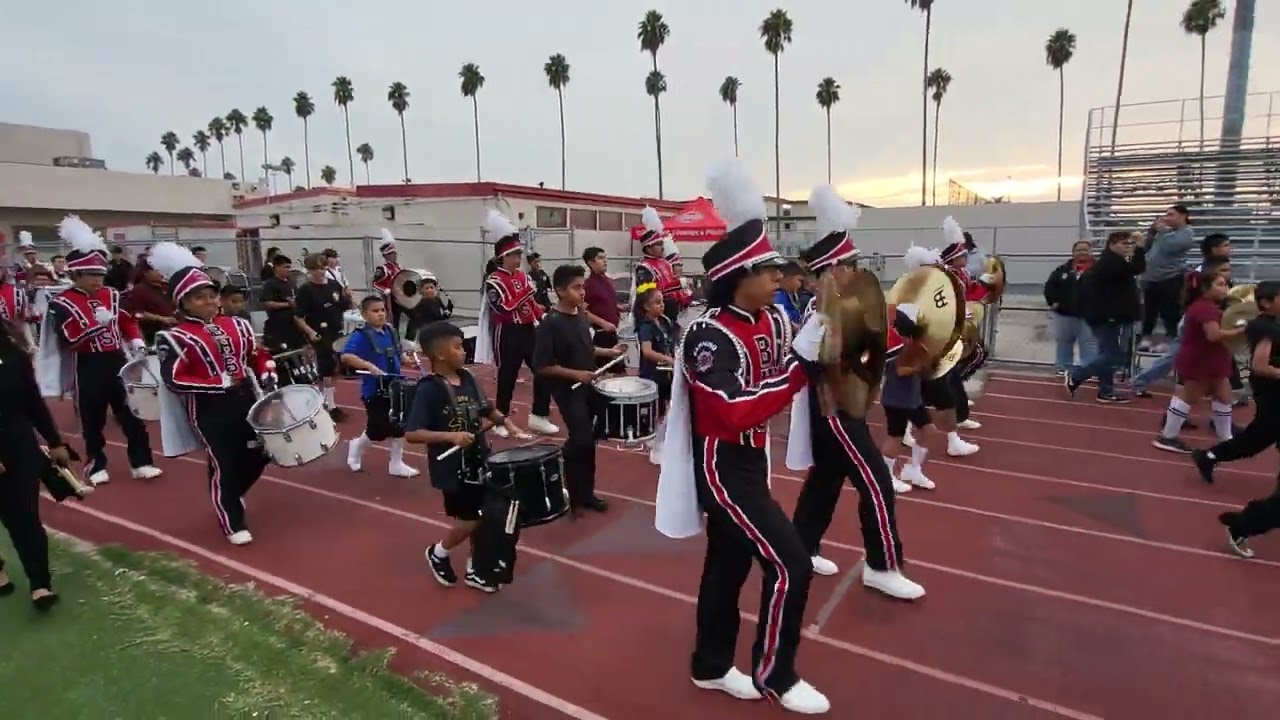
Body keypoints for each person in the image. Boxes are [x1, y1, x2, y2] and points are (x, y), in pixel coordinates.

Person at [654, 159, 827, 714]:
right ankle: (777, 672)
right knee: (791, 563)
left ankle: (709, 665)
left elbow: (787, 372)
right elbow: (730, 412)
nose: (780, 279)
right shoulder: (708, 334)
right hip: (722, 465)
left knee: (727, 567)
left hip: (753, 462)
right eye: (769, 271)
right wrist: (801, 366)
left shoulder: (775, 320)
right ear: (738, 276)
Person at [786, 184, 926, 603]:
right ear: (832, 271)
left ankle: (801, 547)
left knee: (824, 484)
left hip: (844, 408)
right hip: (836, 412)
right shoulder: (826, 310)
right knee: (878, 484)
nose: (858, 268)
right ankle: (881, 565)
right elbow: (803, 357)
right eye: (851, 263)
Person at [148, 242, 277, 546]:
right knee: (224, 461)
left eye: (211, 295)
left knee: (259, 454)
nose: (208, 302)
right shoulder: (173, 336)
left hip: (246, 400)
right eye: (199, 298)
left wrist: (267, 369)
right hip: (210, 410)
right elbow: (175, 379)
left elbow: (257, 355)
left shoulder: (238, 324)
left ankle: (229, 494)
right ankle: (232, 520)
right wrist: (216, 382)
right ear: (184, 304)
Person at [36, 216, 161, 486]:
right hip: (88, 364)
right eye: (91, 275)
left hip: (117, 359)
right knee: (92, 418)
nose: (97, 279)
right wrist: (95, 326)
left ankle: (141, 461)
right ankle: (95, 464)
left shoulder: (112, 295)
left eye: (99, 274)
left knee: (132, 413)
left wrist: (136, 340)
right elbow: (69, 339)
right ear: (75, 275)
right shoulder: (62, 303)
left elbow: (126, 320)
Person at [407, 321, 529, 592]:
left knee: (484, 514)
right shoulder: (430, 389)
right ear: (439, 354)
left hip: (479, 459)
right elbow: (413, 433)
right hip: (452, 468)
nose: (464, 351)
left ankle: (476, 568)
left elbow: (486, 409)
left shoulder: (469, 379)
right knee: (471, 519)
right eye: (458, 347)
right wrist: (450, 437)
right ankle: (439, 552)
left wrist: (507, 423)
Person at [533, 264, 623, 515]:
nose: (582, 292)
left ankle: (586, 494)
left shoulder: (581, 317)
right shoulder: (550, 323)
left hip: (588, 386)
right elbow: (542, 366)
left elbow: (587, 349)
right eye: (576, 287)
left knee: (590, 441)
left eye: (582, 287)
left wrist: (609, 352)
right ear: (560, 291)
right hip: (569, 390)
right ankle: (571, 491)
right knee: (580, 439)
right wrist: (577, 375)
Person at [0, 318, 74, 610]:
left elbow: (33, 401)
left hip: (17, 442)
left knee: (24, 516)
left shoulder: (13, 354)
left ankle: (40, 584)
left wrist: (54, 441)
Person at [475, 209, 557, 437]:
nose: (518, 259)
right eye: (514, 255)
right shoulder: (493, 281)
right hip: (508, 332)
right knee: (507, 378)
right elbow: (504, 308)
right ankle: (499, 421)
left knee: (543, 371)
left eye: (519, 254)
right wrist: (526, 295)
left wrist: (543, 318)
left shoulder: (523, 277)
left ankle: (539, 416)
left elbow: (530, 304)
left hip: (529, 330)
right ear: (503, 257)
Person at [1193, 281, 1280, 485]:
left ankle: (1210, 456)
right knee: (1258, 438)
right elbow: (1260, 365)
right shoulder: (1265, 327)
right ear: (1266, 303)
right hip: (1271, 389)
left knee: (1263, 435)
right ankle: (1209, 456)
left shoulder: (1271, 324)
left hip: (1272, 386)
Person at [1152, 268, 1243, 453]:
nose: (1225, 288)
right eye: (1220, 284)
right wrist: (1240, 330)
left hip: (1211, 358)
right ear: (1205, 287)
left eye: (1225, 284)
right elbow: (1213, 335)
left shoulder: (1207, 306)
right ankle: (1167, 437)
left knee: (1224, 395)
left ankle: (1227, 439)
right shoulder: (1205, 308)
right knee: (1190, 396)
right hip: (1201, 359)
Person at [339, 295, 419, 477]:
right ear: (364, 314)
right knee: (377, 429)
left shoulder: (390, 331)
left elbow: (396, 353)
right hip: (375, 389)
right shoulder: (361, 336)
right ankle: (356, 447)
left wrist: (407, 361)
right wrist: (369, 366)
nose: (381, 314)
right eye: (375, 311)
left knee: (399, 424)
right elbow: (346, 356)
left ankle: (396, 463)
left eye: (383, 310)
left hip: (396, 386)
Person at [1066, 231, 1147, 403]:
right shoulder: (1111, 262)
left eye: (1129, 244)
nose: (1127, 247)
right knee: (1112, 356)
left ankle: (1105, 390)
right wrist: (1140, 248)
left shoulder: (1112, 261)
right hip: (1107, 316)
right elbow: (1138, 268)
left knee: (1108, 355)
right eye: (1123, 244)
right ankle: (1077, 376)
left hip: (1108, 315)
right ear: (1112, 245)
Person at [295, 252, 351, 421]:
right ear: (310, 271)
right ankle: (330, 405)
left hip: (336, 330)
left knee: (334, 368)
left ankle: (325, 400)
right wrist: (311, 332)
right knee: (325, 369)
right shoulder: (306, 290)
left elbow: (343, 305)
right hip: (320, 333)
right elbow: (298, 316)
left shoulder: (334, 285)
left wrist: (349, 300)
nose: (321, 271)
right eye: (317, 269)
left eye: (323, 267)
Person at [1138, 205, 1196, 353]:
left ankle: (1170, 339)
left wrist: (1162, 231)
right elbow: (1146, 248)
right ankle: (1146, 337)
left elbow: (1170, 246)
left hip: (1170, 277)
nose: (1167, 218)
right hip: (1151, 278)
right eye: (1166, 214)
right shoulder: (1164, 233)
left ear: (1183, 216)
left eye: (1171, 215)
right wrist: (1151, 233)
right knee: (1149, 311)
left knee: (1169, 311)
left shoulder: (1186, 233)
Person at [635, 283, 675, 464]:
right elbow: (647, 351)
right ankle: (654, 438)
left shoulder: (665, 321)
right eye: (657, 303)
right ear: (646, 307)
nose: (662, 305)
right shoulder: (646, 326)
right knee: (656, 407)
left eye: (662, 302)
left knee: (668, 405)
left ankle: (662, 436)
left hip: (667, 373)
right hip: (653, 374)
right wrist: (668, 360)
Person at [1044, 240, 1096, 374]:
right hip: (1064, 314)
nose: (1082, 252)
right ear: (1073, 253)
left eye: (1085, 250)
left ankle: (1088, 370)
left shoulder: (1099, 270)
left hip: (1090, 315)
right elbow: (1049, 287)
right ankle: (1063, 367)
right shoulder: (1062, 270)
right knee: (1064, 342)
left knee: (1089, 344)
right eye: (1079, 250)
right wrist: (1053, 302)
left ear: (1091, 252)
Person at [633, 207, 692, 325]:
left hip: (671, 311)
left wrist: (684, 296)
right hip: (654, 316)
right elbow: (647, 291)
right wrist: (678, 284)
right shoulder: (643, 267)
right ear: (648, 247)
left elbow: (672, 283)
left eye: (662, 243)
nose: (662, 247)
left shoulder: (665, 263)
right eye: (658, 244)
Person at [581, 246, 624, 372]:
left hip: (612, 333)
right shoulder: (588, 285)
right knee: (602, 372)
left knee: (617, 369)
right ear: (590, 263)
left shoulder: (608, 281)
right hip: (599, 335)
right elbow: (583, 311)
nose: (605, 261)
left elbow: (607, 302)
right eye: (600, 258)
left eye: (605, 258)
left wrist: (620, 308)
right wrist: (603, 323)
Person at [122, 255, 179, 345]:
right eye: (157, 270)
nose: (161, 273)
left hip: (174, 332)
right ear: (146, 273)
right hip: (153, 335)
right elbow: (137, 314)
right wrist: (161, 319)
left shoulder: (167, 287)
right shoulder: (139, 289)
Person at [259, 253, 301, 352]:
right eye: (286, 267)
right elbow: (266, 303)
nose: (288, 270)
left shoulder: (291, 283)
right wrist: (287, 304)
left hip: (293, 326)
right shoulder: (270, 284)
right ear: (277, 267)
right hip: (277, 326)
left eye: (289, 267)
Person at [370, 230, 409, 336]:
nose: (394, 255)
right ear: (386, 255)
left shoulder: (397, 267)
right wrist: (386, 290)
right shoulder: (382, 269)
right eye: (391, 254)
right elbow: (375, 283)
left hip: (398, 299)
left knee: (404, 319)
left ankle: (403, 339)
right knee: (390, 321)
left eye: (394, 253)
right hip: (388, 300)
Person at [773, 262, 806, 329]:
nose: (800, 285)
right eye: (799, 280)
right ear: (788, 278)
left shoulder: (791, 295)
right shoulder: (778, 298)